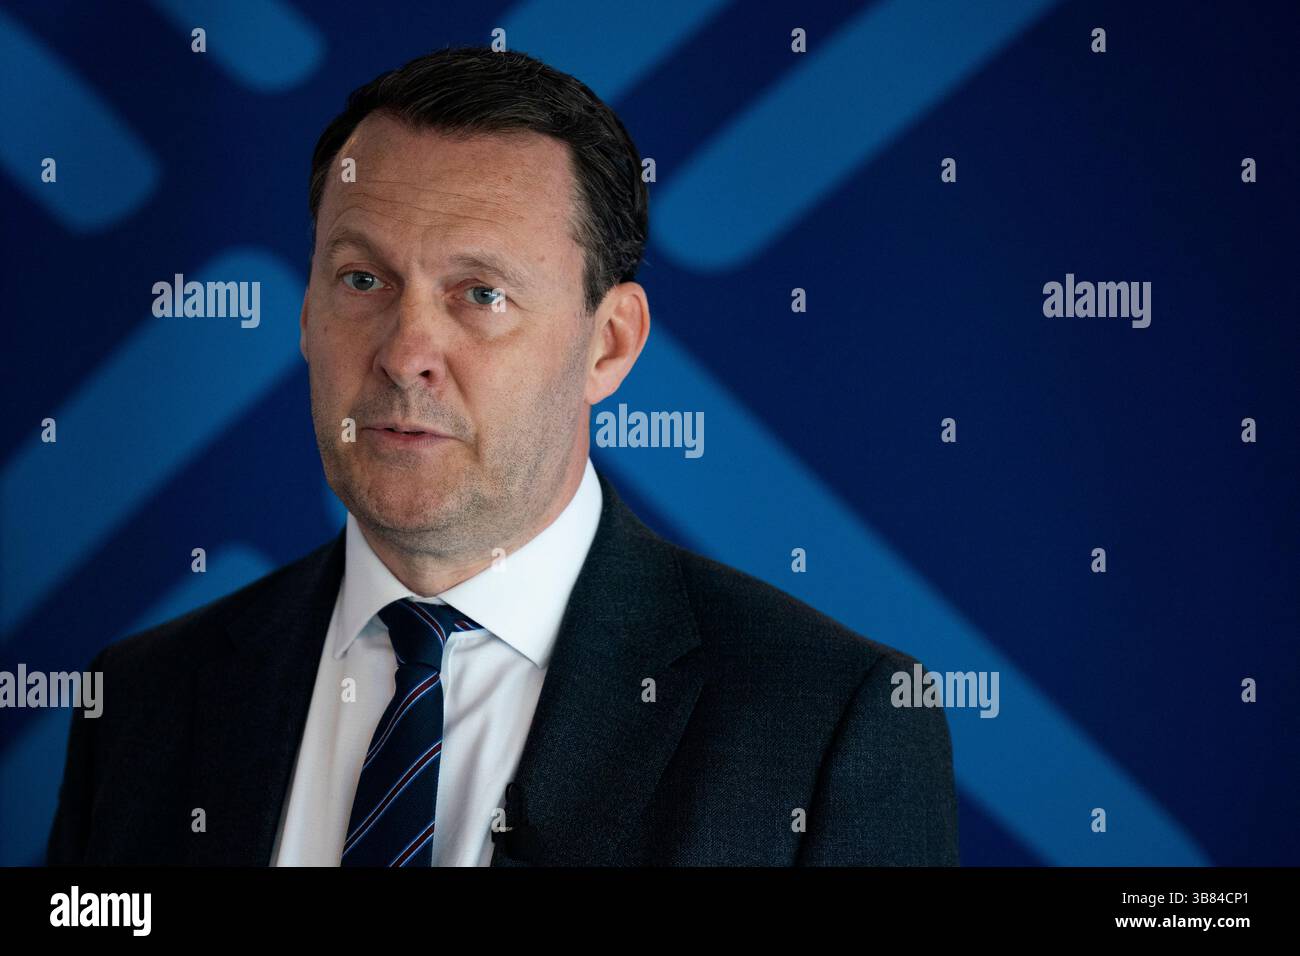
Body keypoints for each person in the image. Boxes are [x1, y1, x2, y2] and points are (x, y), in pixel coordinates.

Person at [46, 46, 958, 867]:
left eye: (480, 293)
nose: (406, 352)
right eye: (362, 280)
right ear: (306, 315)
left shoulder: (828, 725)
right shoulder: (141, 703)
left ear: (608, 345)